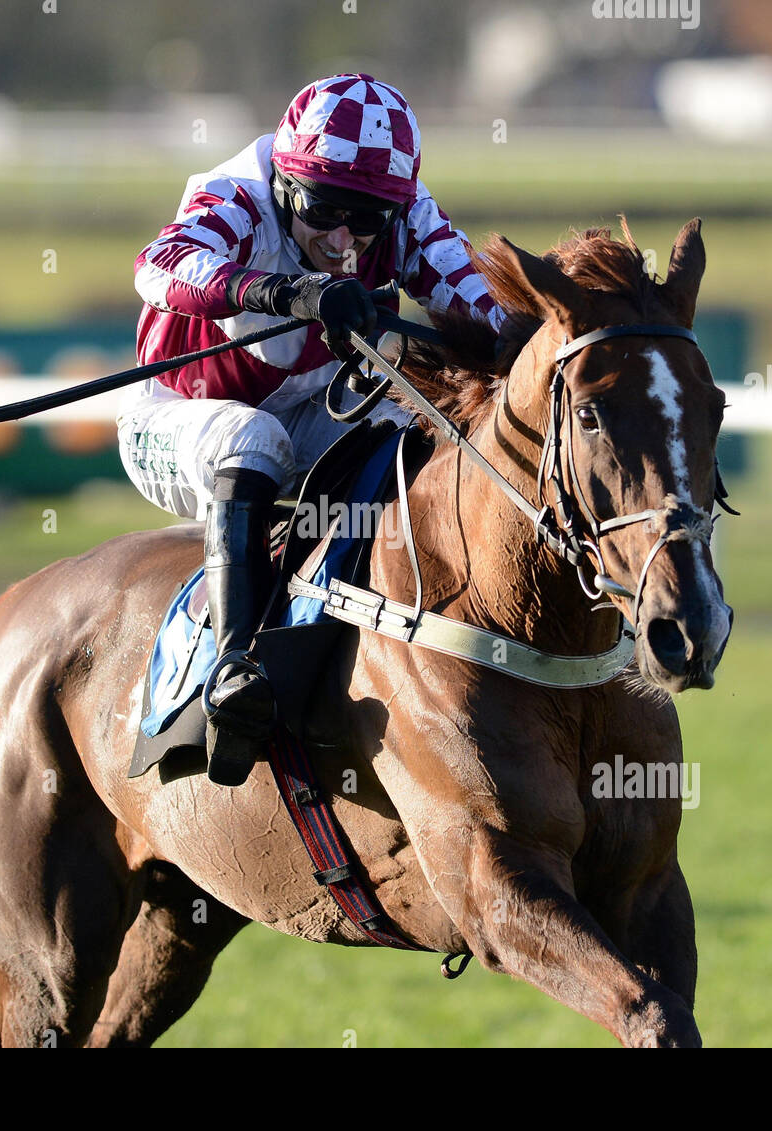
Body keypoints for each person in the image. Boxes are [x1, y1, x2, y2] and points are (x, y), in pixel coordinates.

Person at [118, 72, 504, 786]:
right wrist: (284, 290)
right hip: (175, 413)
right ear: (288, 183)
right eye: (324, 211)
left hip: (308, 409)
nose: (342, 238)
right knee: (250, 441)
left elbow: (481, 305)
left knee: (411, 430)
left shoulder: (403, 210)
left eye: (366, 224)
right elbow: (159, 265)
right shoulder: (237, 190)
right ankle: (234, 670)